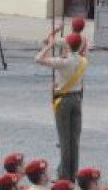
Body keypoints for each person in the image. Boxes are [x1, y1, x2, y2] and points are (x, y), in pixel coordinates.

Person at [34, 32, 87, 181]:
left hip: (63, 100)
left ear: (68, 46)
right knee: (74, 139)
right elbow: (73, 47)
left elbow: (38, 59)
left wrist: (49, 46)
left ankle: (65, 174)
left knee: (64, 140)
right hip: (77, 99)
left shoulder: (63, 62)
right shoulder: (83, 61)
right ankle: (73, 172)